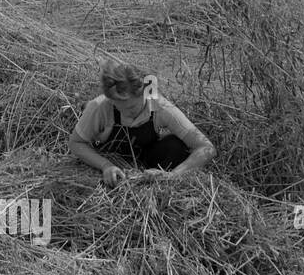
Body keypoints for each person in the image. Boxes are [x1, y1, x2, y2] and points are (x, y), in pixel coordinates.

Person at [68, 59, 215, 183]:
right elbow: (76, 142)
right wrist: (105, 166)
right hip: (108, 157)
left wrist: (172, 176)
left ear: (145, 92)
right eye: (120, 107)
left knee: (174, 146)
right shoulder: (99, 106)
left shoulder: (161, 106)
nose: (127, 112)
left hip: (145, 161)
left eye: (132, 107)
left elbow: (207, 148)